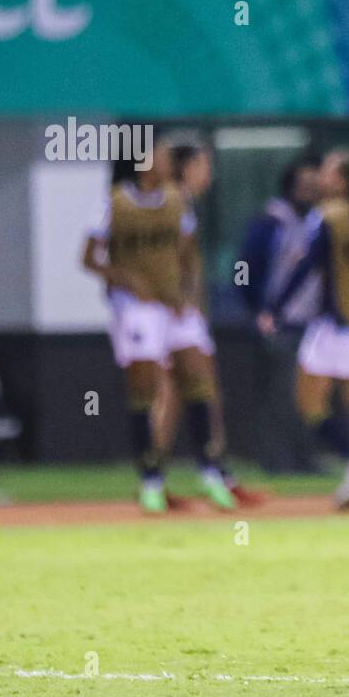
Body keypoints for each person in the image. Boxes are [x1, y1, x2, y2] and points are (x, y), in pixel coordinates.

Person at [82, 138, 236, 513]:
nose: (166, 161)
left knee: (198, 377)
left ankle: (210, 471)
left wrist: (189, 296)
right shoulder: (114, 204)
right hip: (135, 307)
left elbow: (187, 255)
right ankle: (151, 479)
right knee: (145, 388)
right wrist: (121, 276)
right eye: (159, 155)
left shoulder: (176, 202)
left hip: (173, 305)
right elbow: (88, 258)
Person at [258, 149, 349, 509]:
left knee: (309, 401)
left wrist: (275, 308)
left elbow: (306, 267)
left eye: (330, 172)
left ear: (344, 182)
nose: (321, 176)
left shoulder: (327, 216)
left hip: (339, 322)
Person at [151, 140, 265, 507]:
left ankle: (154, 479)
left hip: (173, 313)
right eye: (203, 166)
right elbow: (168, 260)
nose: (208, 175)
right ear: (186, 167)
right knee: (201, 391)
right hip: (177, 315)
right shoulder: (171, 202)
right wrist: (181, 302)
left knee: (173, 397)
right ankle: (211, 474)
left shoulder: (176, 202)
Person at [236, 158, 327, 474]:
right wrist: (258, 310)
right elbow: (244, 268)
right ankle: (276, 461)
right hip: (279, 320)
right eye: (305, 186)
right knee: (278, 395)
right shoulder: (270, 222)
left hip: (313, 321)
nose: (310, 192)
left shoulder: (319, 222)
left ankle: (305, 459)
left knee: (306, 395)